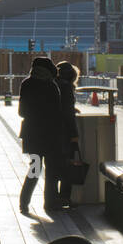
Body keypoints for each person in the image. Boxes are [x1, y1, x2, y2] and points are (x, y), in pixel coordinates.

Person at [18, 57, 64, 216]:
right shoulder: (51, 86)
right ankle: (50, 203)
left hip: (32, 134)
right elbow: (58, 113)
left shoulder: (26, 84)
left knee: (35, 168)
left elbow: (21, 112)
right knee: (52, 170)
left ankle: (24, 203)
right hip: (50, 136)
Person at [56, 61, 82, 210]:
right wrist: (74, 134)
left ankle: (54, 198)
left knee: (54, 167)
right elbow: (67, 113)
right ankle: (65, 198)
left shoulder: (54, 84)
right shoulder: (66, 87)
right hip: (65, 133)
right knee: (67, 166)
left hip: (53, 132)